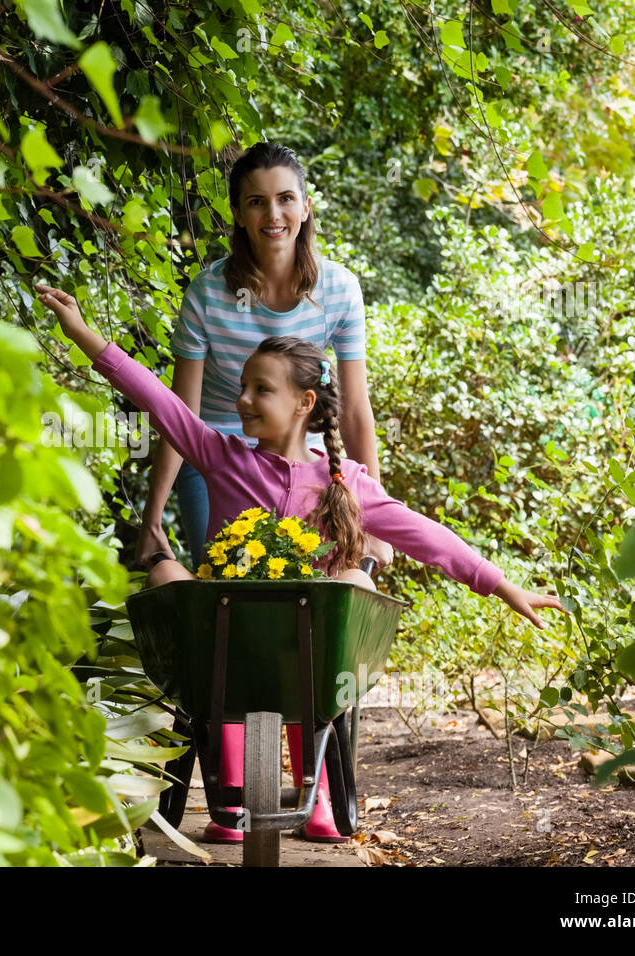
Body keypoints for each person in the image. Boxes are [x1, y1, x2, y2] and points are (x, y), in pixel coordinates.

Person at [35, 283, 566, 844]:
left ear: (303, 403)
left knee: (352, 580)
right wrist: (84, 335)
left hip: (309, 658)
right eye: (242, 386)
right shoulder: (221, 456)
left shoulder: (346, 483)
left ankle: (321, 798)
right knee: (169, 574)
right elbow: (159, 400)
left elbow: (428, 538)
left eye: (260, 389)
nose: (242, 400)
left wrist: (504, 586)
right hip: (223, 644)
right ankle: (232, 797)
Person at [137, 142, 393, 576]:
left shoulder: (339, 290)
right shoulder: (207, 294)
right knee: (227, 578)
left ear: (306, 207)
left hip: (302, 452)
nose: (273, 215)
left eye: (285, 199)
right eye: (257, 202)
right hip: (221, 453)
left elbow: (353, 408)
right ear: (238, 213)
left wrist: (379, 517)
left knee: (315, 579)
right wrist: (153, 516)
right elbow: (182, 414)